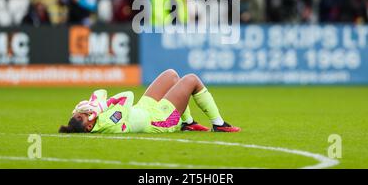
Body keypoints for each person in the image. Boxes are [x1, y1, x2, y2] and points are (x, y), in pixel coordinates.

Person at [59, 69, 240, 133]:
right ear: (89, 127)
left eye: (82, 113)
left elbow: (100, 91)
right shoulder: (108, 122)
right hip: (159, 120)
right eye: (84, 117)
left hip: (144, 108)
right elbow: (128, 95)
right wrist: (99, 107)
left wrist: (88, 104)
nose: (87, 114)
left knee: (171, 75)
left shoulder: (94, 118)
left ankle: (188, 123)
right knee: (191, 79)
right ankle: (219, 124)